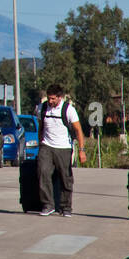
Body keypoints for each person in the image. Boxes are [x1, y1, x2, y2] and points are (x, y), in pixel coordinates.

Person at [35, 84, 86, 217]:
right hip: (46, 146)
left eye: (53, 99)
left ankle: (66, 207)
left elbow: (78, 130)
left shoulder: (68, 110)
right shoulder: (42, 108)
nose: (50, 101)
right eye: (49, 98)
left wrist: (81, 150)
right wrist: (40, 142)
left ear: (60, 97)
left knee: (65, 178)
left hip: (64, 148)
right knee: (43, 172)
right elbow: (41, 126)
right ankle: (48, 205)